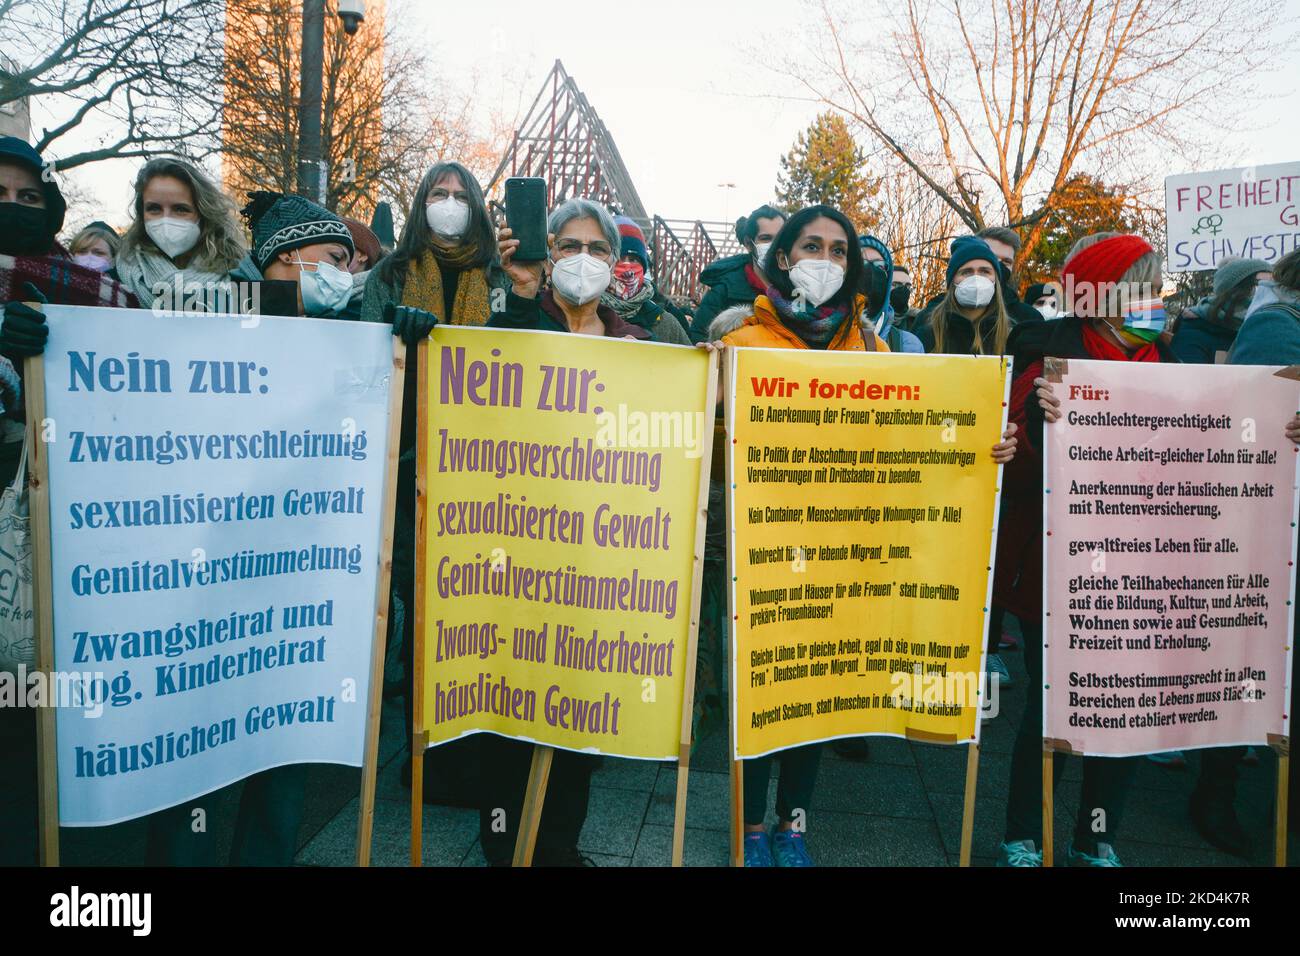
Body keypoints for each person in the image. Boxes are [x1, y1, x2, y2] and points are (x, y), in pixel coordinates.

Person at [709, 204, 1016, 866]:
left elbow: (916, 444)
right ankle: (749, 826)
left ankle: (793, 827)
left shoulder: (874, 352)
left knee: (816, 698)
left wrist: (980, 448)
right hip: (762, 556)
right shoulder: (737, 349)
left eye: (840, 250)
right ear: (782, 258)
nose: (827, 259)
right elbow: (703, 454)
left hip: (842, 553)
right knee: (761, 695)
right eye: (812, 246)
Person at [995, 232, 1179, 867]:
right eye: (1144, 288)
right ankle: (1024, 833)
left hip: (1140, 577)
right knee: (1051, 709)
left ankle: (1095, 834)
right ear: (1103, 294)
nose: (1156, 302)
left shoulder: (1172, 368)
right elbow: (1011, 479)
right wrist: (1033, 431)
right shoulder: (1045, 358)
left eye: (1158, 290)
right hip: (1053, 569)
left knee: (1123, 708)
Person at [483, 196, 657, 866]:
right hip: (516, 555)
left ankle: (559, 847)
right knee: (509, 716)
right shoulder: (515, 324)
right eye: (567, 246)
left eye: (597, 249)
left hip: (594, 566)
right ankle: (503, 846)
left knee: (579, 720)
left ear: (615, 263)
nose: (582, 260)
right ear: (545, 253)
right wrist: (521, 296)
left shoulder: (640, 350)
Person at [0, 136, 136, 866]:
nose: (13, 209)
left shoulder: (79, 283)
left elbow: (141, 363)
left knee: (37, 727)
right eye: (0, 196)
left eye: (28, 198)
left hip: (62, 535)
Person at [361, 160, 506, 808]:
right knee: (424, 612)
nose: (448, 205)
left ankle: (475, 747)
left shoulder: (500, 280)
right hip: (411, 467)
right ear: (421, 204)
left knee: (478, 613)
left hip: (484, 472)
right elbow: (363, 370)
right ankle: (429, 754)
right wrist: (399, 341)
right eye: (438, 195)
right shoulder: (389, 277)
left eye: (460, 196)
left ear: (477, 207)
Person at [1215, 248, 1300, 852]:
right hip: (1275, 524)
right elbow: (1249, 421)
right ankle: (1215, 798)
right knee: (1247, 663)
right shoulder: (1277, 326)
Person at [115, 157, 248, 312]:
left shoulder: (240, 277)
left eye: (180, 209)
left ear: (204, 214)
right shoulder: (115, 280)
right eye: (154, 208)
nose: (166, 219)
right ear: (142, 214)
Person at [233, 191, 357, 319]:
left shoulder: (331, 322)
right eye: (336, 257)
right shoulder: (220, 302)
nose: (346, 274)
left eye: (347, 265)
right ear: (286, 253)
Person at [689, 204, 786, 343]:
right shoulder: (723, 292)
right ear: (748, 243)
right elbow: (697, 340)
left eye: (779, 238)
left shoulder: (797, 291)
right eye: (766, 238)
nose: (775, 245)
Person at [599, 216, 691, 344]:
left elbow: (690, 361)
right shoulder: (583, 316)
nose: (627, 267)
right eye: (619, 259)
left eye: (633, 260)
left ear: (643, 267)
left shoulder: (664, 322)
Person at [1171, 257, 1272, 365]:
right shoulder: (1193, 333)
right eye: (1260, 285)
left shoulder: (1268, 329)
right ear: (1236, 291)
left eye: (1273, 286)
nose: (1270, 293)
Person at [859, 234, 923, 353]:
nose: (872, 270)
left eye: (880, 266)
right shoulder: (823, 334)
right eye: (862, 262)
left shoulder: (908, 344)